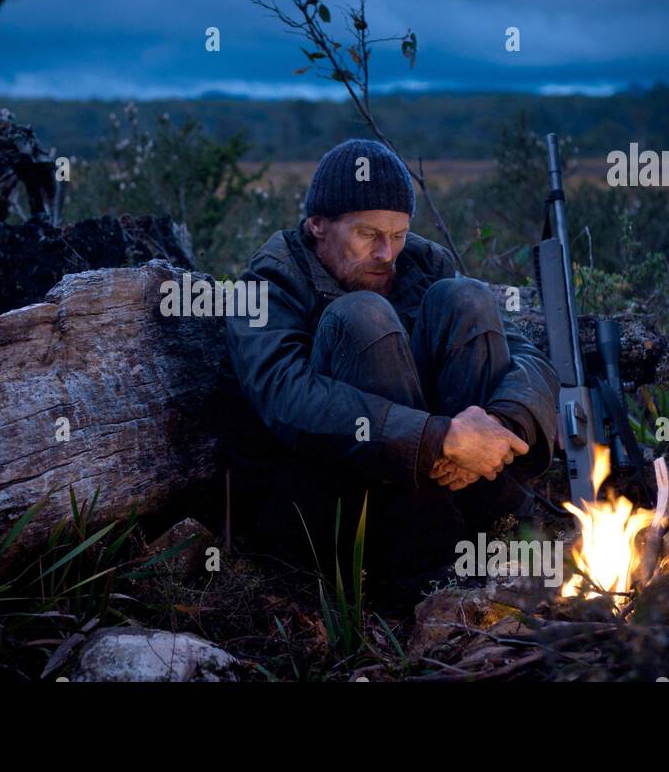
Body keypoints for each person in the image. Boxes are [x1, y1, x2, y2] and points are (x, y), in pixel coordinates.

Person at [220, 138, 560, 607]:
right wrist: (437, 438)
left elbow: (526, 355)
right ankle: (421, 574)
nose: (387, 253)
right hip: (317, 512)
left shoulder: (422, 263)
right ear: (317, 224)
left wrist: (498, 424)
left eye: (398, 235)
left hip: (439, 491)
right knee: (362, 315)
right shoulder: (269, 282)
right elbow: (287, 396)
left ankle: (499, 531)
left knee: (467, 298)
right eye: (368, 234)